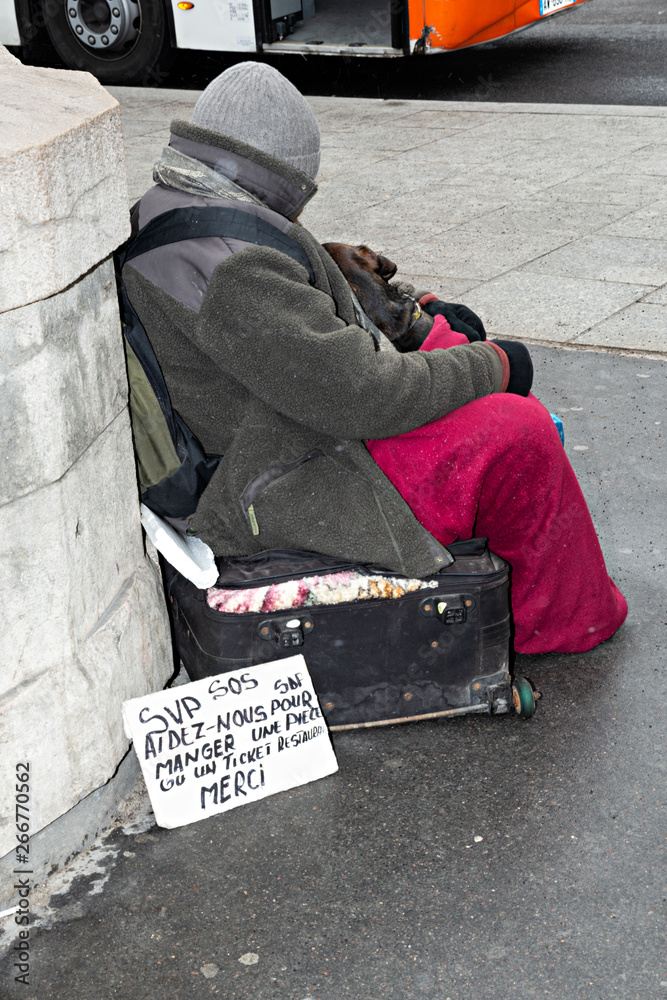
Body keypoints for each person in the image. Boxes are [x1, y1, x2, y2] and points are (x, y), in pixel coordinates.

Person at [122, 61, 627, 656]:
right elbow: (364, 395)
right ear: (281, 178)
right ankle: (566, 625)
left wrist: (416, 321)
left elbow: (300, 331)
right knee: (517, 436)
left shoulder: (173, 205)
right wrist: (496, 365)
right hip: (275, 484)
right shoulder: (236, 269)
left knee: (462, 382)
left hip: (275, 439)